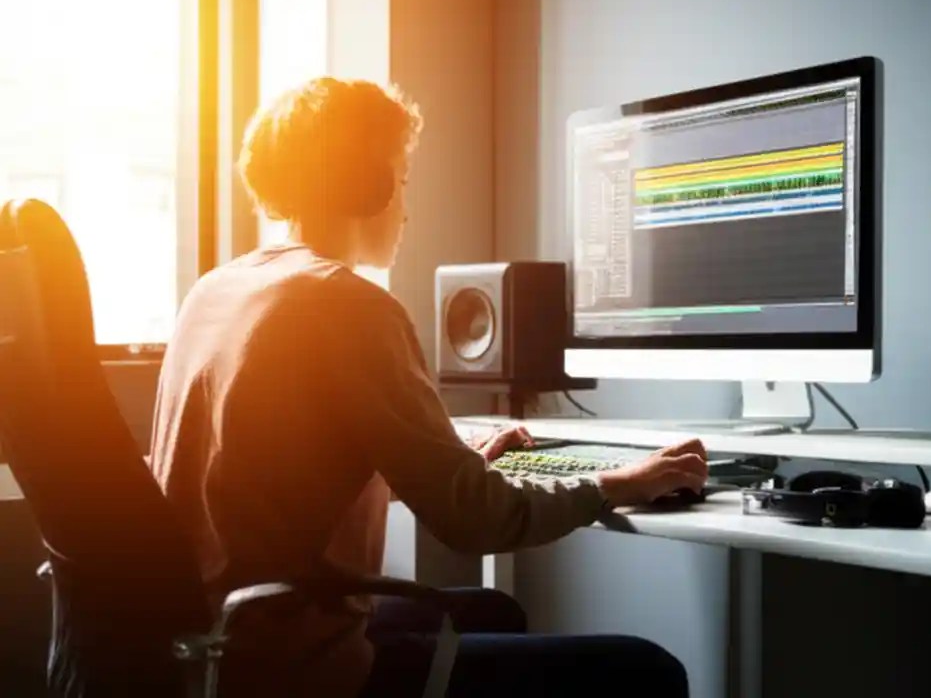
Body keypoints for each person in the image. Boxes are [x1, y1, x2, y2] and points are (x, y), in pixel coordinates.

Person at [146, 76, 707, 697]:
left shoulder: (217, 290)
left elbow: (282, 469)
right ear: (366, 183)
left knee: (494, 611)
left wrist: (453, 462)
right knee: (647, 672)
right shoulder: (346, 306)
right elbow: (475, 521)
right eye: (403, 179)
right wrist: (616, 484)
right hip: (298, 667)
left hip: (215, 647)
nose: (406, 207)